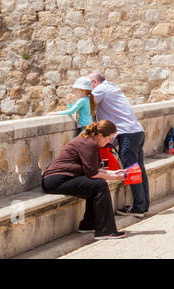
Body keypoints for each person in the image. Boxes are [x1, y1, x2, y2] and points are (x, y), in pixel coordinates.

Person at [41, 120, 127, 240]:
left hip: (61, 178)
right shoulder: (89, 144)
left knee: (96, 185)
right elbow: (92, 173)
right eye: (108, 139)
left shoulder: (89, 142)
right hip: (56, 180)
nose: (109, 142)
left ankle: (88, 225)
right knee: (99, 185)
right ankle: (105, 230)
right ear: (100, 135)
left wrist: (114, 173)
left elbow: (92, 169)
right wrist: (115, 177)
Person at [89, 71, 148, 215]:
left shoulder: (100, 90)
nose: (88, 88)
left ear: (95, 83)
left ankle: (139, 207)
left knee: (131, 170)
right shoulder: (112, 87)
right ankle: (143, 205)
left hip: (127, 134)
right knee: (139, 170)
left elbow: (86, 104)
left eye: (88, 84)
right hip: (137, 131)